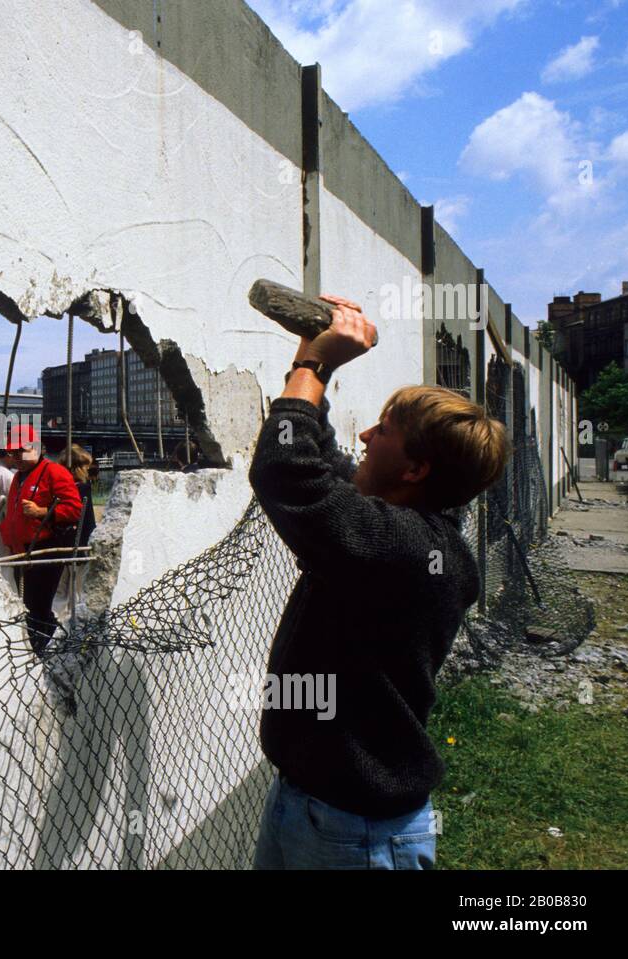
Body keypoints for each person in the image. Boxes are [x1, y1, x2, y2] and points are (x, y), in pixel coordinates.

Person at [247, 293, 508, 870]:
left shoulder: (406, 550)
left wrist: (312, 370)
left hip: (357, 835)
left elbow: (284, 469)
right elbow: (314, 458)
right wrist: (319, 354)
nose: (364, 435)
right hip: (312, 804)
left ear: (415, 470)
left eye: (383, 432)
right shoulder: (401, 531)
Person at [0, 425, 83, 655]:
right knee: (30, 606)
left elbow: (74, 508)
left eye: (20, 452)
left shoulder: (54, 472)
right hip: (23, 551)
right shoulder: (18, 476)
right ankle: (48, 645)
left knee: (37, 607)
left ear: (36, 449)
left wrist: (42, 512)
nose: (16, 457)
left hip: (46, 549)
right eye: (13, 453)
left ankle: (47, 648)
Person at [52, 444, 98, 616]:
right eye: (86, 467)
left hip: (60, 544)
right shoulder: (83, 489)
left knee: (60, 592)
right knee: (77, 591)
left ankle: (57, 621)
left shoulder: (59, 488)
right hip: (79, 546)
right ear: (79, 468)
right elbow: (88, 521)